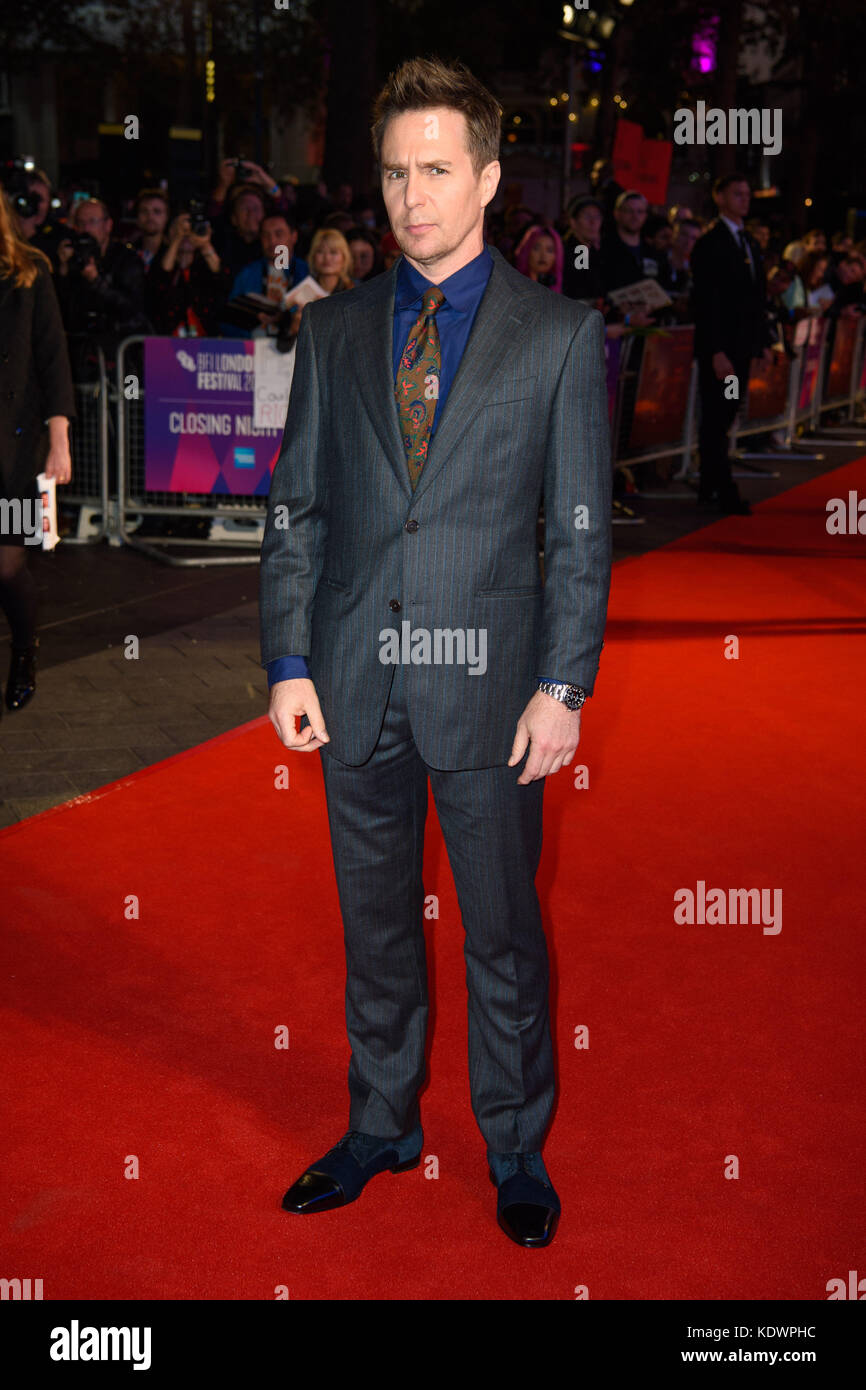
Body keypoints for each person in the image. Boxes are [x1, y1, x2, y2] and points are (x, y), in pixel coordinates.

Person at [259, 55, 612, 1249]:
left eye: (437, 170)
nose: (412, 196)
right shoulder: (341, 330)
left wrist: (563, 685)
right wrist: (288, 662)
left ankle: (511, 1141)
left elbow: (577, 531)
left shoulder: (557, 336)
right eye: (396, 173)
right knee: (374, 927)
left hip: (493, 695)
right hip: (353, 685)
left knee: (502, 930)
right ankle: (381, 1122)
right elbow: (295, 507)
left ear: (490, 178)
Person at [0, 187, 74, 717]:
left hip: (16, 449)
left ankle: (25, 651)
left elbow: (53, 358)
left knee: (6, 566)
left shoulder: (29, 273)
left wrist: (59, 438)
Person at [690, 173, 774, 515]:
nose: (744, 199)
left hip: (741, 347)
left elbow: (757, 297)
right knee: (718, 416)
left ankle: (712, 484)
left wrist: (763, 343)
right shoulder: (711, 243)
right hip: (722, 350)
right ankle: (720, 486)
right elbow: (707, 302)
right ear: (720, 197)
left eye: (747, 193)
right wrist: (716, 350)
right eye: (737, 193)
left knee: (727, 413)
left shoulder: (749, 243)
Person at [55, 197, 150, 376]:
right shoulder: (72, 260)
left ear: (108, 225)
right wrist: (63, 269)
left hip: (127, 357)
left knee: (131, 398)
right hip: (86, 356)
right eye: (80, 223)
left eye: (92, 222)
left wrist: (96, 280)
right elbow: (61, 306)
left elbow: (130, 306)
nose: (86, 229)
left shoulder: (127, 259)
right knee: (87, 401)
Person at [221, 211, 309, 342]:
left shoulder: (306, 271)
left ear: (294, 236)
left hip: (297, 349)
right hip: (255, 349)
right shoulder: (248, 273)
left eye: (279, 234)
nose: (272, 241)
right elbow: (228, 320)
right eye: (266, 235)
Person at [145, 211, 231, 336]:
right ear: (167, 237)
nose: (186, 234)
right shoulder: (159, 263)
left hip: (206, 342)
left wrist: (205, 243)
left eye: (191, 229)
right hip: (167, 340)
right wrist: (176, 239)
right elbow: (161, 281)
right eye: (180, 229)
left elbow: (224, 281)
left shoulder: (205, 266)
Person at [513, 223, 563, 290]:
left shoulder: (558, 288)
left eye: (549, 250)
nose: (543, 255)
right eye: (537, 248)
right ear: (527, 251)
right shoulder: (514, 284)